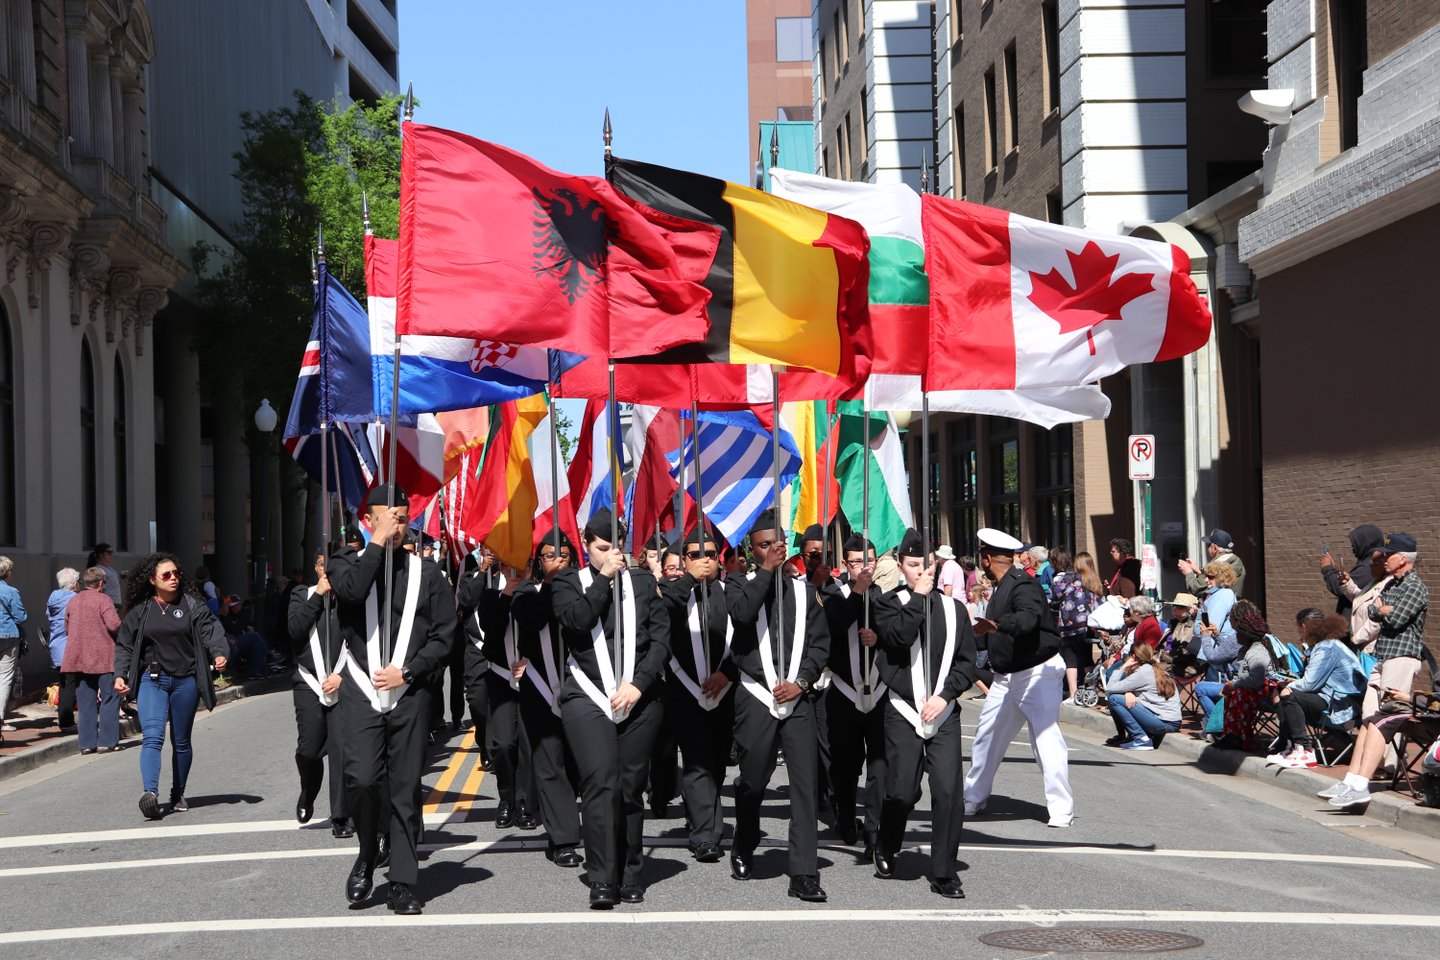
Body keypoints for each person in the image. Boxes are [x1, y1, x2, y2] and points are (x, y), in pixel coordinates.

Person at [327, 484, 460, 916]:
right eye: (388, 518)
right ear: (368, 521)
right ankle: (368, 851)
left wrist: (411, 670)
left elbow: (445, 635)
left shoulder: (428, 573)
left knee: (404, 788)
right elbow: (349, 593)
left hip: (410, 692)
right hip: (362, 690)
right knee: (362, 779)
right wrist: (377, 543)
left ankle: (402, 880)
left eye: (402, 518)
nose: (397, 525)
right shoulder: (346, 559)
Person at [552, 508, 670, 909]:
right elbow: (578, 621)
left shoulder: (641, 582)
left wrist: (639, 684)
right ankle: (602, 876)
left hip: (638, 698)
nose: (610, 554)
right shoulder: (570, 581)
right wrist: (603, 578)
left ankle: (630, 871)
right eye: (601, 548)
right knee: (601, 784)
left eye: (615, 547)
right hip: (587, 696)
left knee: (630, 788)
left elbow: (660, 641)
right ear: (587, 546)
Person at [723, 508, 830, 903]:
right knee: (753, 780)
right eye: (761, 546)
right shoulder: (738, 583)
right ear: (752, 551)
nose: (769, 550)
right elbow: (742, 614)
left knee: (805, 785)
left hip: (797, 697)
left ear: (785, 546)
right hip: (754, 695)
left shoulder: (805, 592)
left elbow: (821, 645)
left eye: (775, 544)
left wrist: (801, 683)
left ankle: (803, 871)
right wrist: (766, 572)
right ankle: (745, 836)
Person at [871, 530, 977, 898]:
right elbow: (898, 638)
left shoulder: (955, 610)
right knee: (901, 792)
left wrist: (946, 695)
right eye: (913, 565)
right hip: (902, 710)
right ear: (901, 567)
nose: (920, 572)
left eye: (925, 565)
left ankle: (944, 871)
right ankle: (887, 841)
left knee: (949, 793)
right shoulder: (888, 603)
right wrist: (917, 598)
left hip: (942, 711)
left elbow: (967, 665)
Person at [964, 528, 1073, 827]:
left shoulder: (1023, 584)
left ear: (986, 559)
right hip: (1007, 675)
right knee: (987, 735)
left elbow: (1028, 618)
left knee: (1045, 738)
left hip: (1037, 672)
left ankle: (1061, 809)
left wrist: (997, 625)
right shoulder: (1002, 585)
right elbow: (995, 632)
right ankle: (973, 798)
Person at [112, 554, 229, 819]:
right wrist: (120, 674)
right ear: (152, 580)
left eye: (176, 573)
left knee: (181, 741)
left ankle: (178, 792)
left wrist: (220, 654)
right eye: (166, 575)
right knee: (152, 736)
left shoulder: (192, 605)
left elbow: (213, 631)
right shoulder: (141, 610)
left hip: (185, 680)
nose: (173, 578)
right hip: (152, 680)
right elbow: (125, 645)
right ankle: (150, 794)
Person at [502, 532, 585, 868]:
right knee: (550, 765)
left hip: (584, 688)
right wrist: (553, 584)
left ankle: (588, 826)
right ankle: (563, 839)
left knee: (581, 767)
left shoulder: (588, 591)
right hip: (540, 687)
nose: (558, 561)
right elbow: (531, 618)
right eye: (550, 556)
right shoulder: (528, 591)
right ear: (539, 561)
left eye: (564, 556)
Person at [656, 525, 735, 863]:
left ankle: (701, 812)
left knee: (716, 762)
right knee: (697, 760)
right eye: (694, 555)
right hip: (683, 689)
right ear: (683, 559)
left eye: (710, 555)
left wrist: (726, 674)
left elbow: (747, 638)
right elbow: (664, 611)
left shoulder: (732, 591)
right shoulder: (669, 590)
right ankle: (706, 835)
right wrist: (688, 579)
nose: (704, 561)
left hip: (725, 688)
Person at [457, 544, 538, 832]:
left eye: (522, 567)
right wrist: (506, 595)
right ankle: (506, 798)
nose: (515, 573)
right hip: (500, 676)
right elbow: (491, 626)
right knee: (503, 744)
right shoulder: (491, 593)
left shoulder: (537, 592)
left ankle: (526, 801)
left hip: (534, 679)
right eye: (508, 567)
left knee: (528, 745)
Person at [821, 535, 886, 856]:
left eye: (869, 561)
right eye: (858, 562)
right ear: (846, 565)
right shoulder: (834, 595)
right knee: (846, 765)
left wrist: (880, 637)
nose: (865, 567)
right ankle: (846, 817)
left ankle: (874, 828)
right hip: (844, 690)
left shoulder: (886, 596)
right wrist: (857, 591)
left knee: (880, 765)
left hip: (879, 692)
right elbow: (830, 627)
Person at [287, 549, 352, 838]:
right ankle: (307, 792)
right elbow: (295, 629)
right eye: (323, 566)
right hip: (308, 682)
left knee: (340, 750)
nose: (328, 571)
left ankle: (341, 815)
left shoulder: (352, 598)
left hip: (343, 681)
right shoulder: (302, 594)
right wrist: (318, 596)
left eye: (333, 566)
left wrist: (344, 676)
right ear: (316, 567)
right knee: (310, 750)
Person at [1268, 613, 1365, 768]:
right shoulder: (1326, 645)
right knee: (1281, 692)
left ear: (1304, 627)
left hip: (1342, 706)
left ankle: (1304, 750)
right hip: (1332, 699)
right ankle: (1289, 746)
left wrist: (1289, 686)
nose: (1299, 632)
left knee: (1289, 695)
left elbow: (1309, 684)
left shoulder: (1326, 648)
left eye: (1298, 628)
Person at [1365, 533, 1428, 716]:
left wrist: (1384, 611)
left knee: (1389, 716)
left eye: (1388, 554)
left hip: (1401, 658)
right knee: (1369, 714)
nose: (1384, 559)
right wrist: (1382, 610)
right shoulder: (1391, 585)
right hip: (1382, 656)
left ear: (1402, 559)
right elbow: (1371, 610)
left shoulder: (1415, 586)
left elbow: (1396, 619)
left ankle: (1389, 747)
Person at [61, 567, 122, 754]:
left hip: (78, 658)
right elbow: (114, 625)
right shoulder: (103, 599)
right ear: (101, 584)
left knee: (85, 701)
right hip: (102, 657)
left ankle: (87, 743)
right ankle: (107, 741)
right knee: (110, 697)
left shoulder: (74, 600)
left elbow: (67, 628)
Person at [1201, 606, 1278, 750]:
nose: (1235, 637)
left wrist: (1234, 685)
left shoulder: (1257, 652)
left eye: (1238, 633)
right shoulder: (1246, 647)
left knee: (1238, 694)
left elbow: (1257, 679)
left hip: (1265, 690)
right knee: (1234, 694)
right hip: (1252, 687)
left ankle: (1237, 737)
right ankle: (1231, 735)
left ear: (1246, 635)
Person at [1104, 643, 1181, 749]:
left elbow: (1110, 688)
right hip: (1170, 722)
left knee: (1114, 699)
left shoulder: (1143, 672)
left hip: (1164, 723)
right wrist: (1127, 692)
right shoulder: (1152, 668)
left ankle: (1140, 738)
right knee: (1119, 697)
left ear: (1133, 657)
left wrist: (1123, 667)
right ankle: (1126, 737)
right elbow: (1127, 687)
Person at [1051, 548, 1102, 701]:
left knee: (1070, 658)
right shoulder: (1095, 582)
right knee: (1086, 657)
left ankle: (1073, 693)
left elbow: (1056, 593)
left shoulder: (1069, 578)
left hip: (1069, 625)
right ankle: (1089, 689)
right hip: (1088, 625)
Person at [1320, 523, 1382, 615]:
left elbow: (1340, 588)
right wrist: (1334, 570)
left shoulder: (1370, 566)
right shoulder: (1368, 562)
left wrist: (1327, 568)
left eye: (1355, 544)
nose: (1353, 548)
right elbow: (1348, 583)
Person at [47, 568, 80, 732]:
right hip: (69, 645)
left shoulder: (53, 597)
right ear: (75, 584)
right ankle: (66, 722)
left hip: (56, 645)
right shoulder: (75, 599)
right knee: (70, 685)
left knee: (65, 682)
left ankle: (65, 719)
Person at [1195, 562, 1240, 680]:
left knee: (1213, 693)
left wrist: (1203, 656)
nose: (1206, 580)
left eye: (1210, 577)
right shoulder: (1218, 594)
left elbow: (1210, 628)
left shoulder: (1223, 595)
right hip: (1217, 650)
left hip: (1217, 653)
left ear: (1221, 578)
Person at [1179, 528, 1247, 598]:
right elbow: (1214, 583)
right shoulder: (1236, 561)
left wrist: (1188, 573)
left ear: (1214, 547)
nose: (1207, 548)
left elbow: (1196, 589)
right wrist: (1198, 572)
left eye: (1208, 545)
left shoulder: (1217, 565)